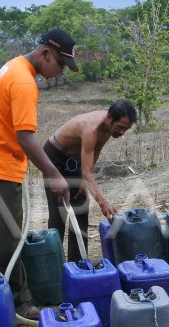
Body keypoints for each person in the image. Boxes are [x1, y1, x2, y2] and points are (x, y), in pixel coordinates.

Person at [0, 29, 73, 321]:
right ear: (45, 54)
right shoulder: (24, 82)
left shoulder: (13, 67)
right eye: (60, 64)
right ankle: (7, 306)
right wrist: (53, 174)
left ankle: (20, 299)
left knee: (9, 236)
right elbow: (25, 137)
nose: (60, 71)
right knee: (3, 242)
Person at [42, 99, 137, 261]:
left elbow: (95, 153)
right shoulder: (91, 130)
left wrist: (84, 182)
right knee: (59, 214)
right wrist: (103, 202)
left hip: (74, 161)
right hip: (54, 158)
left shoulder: (108, 128)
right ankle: (54, 265)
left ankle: (78, 264)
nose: (121, 132)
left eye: (125, 129)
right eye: (120, 127)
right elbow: (86, 172)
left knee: (80, 211)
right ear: (109, 117)